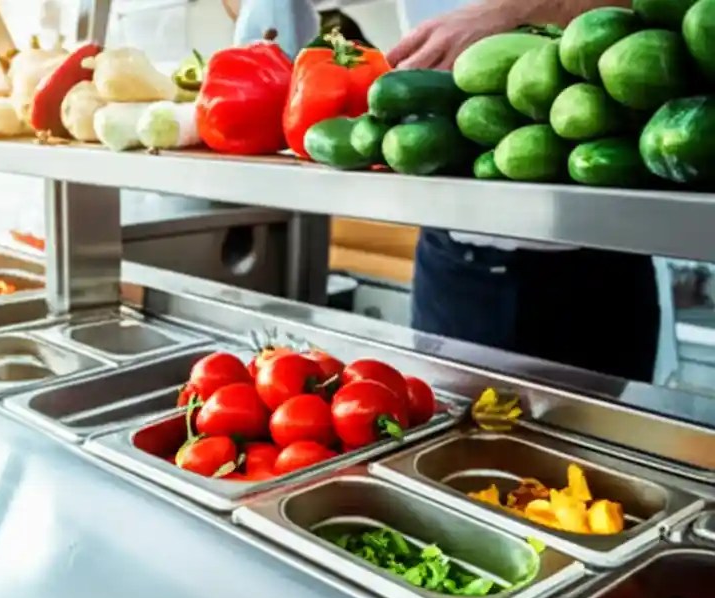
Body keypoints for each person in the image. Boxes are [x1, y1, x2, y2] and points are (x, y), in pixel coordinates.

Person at [224, 0, 661, 383]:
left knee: (596, 457)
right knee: (459, 457)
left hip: (603, 251)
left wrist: (519, 9)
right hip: (456, 256)